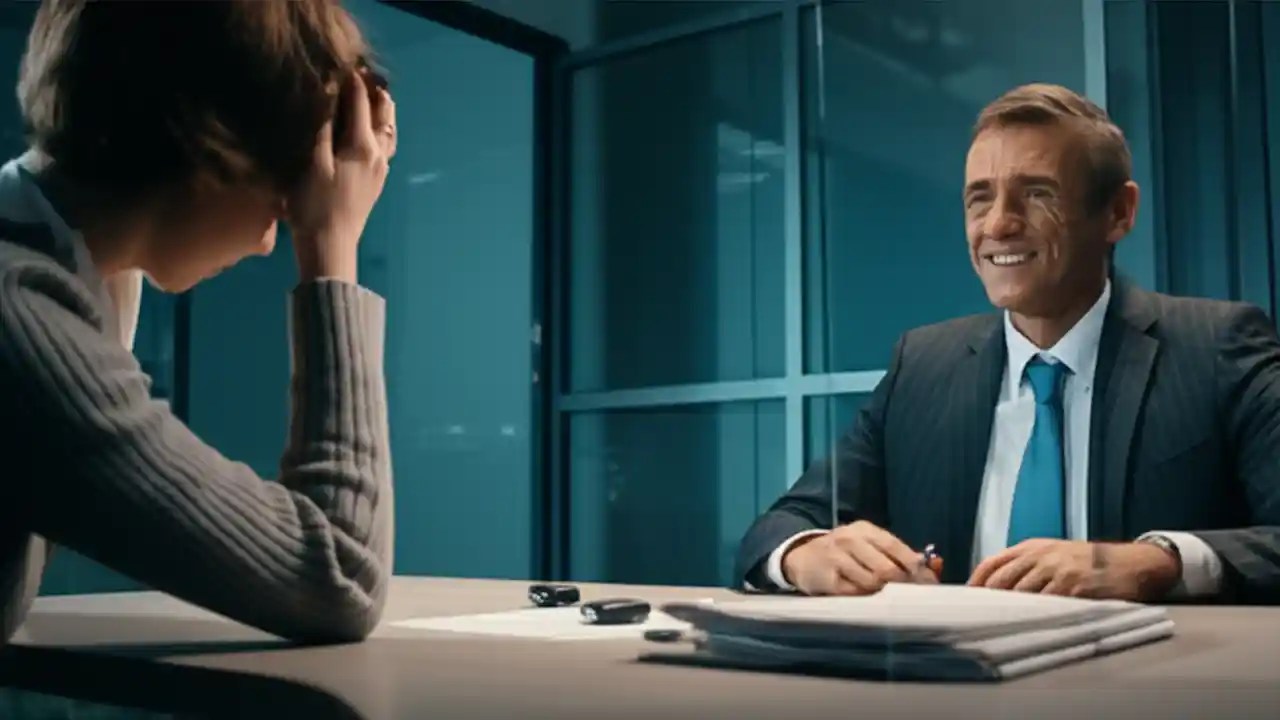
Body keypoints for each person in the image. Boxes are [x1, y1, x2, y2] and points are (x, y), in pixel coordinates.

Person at [737, 83, 1280, 605]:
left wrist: (1157, 564)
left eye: (1038, 194)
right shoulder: (922, 368)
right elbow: (779, 528)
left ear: (1119, 213)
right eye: (980, 199)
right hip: (953, 692)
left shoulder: (1218, 349)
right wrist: (806, 554)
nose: (998, 224)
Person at [0, 0, 398, 645]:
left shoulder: (57, 269)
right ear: (212, 146)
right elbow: (339, 580)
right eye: (290, 186)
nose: (274, 237)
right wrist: (331, 249)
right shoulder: (19, 314)